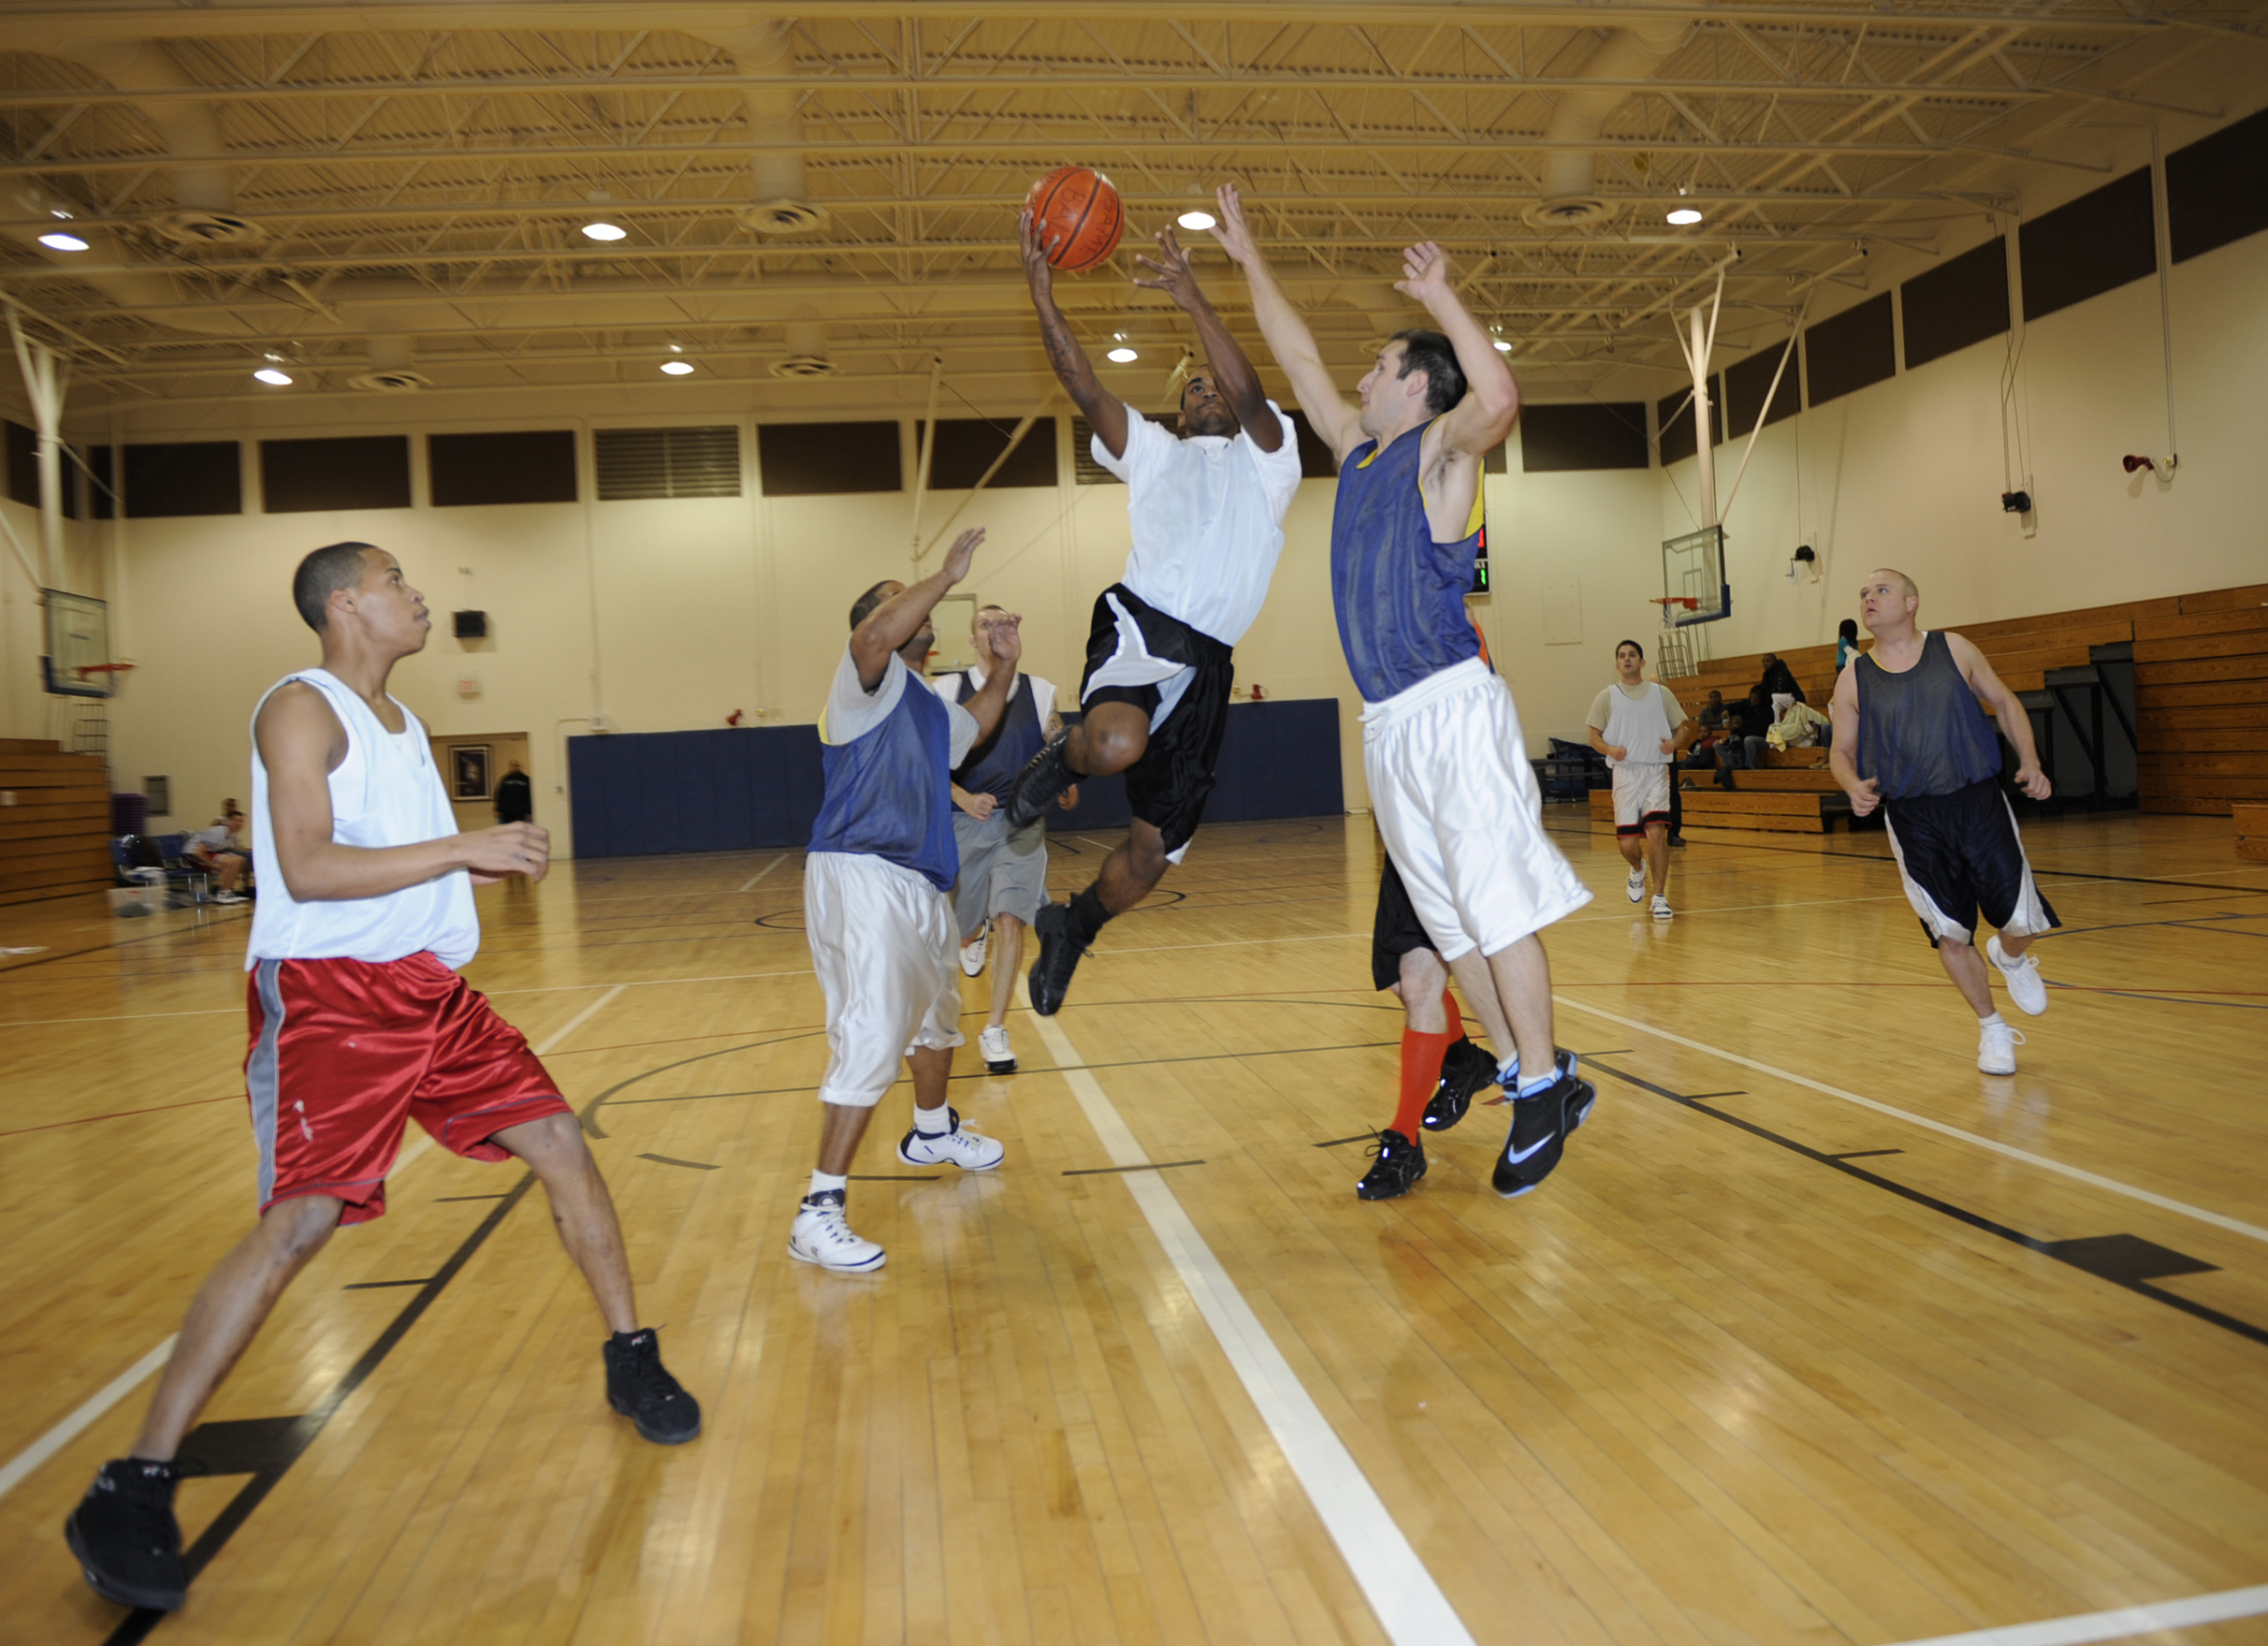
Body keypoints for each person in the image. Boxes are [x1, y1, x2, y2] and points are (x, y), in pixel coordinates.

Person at [65, 542, 700, 1616]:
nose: (419, 595)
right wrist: (467, 849)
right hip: (325, 997)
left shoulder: (406, 724)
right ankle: (135, 1478)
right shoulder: (299, 708)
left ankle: (630, 1353)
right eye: (398, 581)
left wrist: (464, 857)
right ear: (345, 604)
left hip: (428, 994)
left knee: (558, 1143)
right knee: (299, 1227)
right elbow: (306, 866)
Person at [1214, 182, 1596, 1201]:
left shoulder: (1438, 456)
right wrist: (1249, 256)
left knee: (1496, 902)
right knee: (1452, 920)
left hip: (1449, 704)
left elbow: (1501, 401)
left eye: (1379, 369)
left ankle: (1548, 1078)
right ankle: (1520, 1070)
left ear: (1418, 389)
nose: (1358, 378)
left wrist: (1443, 300)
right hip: (1386, 724)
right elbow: (1292, 354)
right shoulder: (1358, 452)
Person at [1002, 214, 1303, 1016]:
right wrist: (1041, 293)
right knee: (1113, 740)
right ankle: (1061, 760)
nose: (1207, 391)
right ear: (1176, 417)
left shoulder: (1271, 461)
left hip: (1209, 664)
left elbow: (1247, 389)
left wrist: (1191, 295)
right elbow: (1083, 383)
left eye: (1214, 387)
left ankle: (1074, 927)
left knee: (1151, 856)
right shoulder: (1155, 453)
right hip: (1143, 624)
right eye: (1192, 389)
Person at [792, 528, 1019, 1275]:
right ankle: (818, 1209)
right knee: (873, 1030)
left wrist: (1004, 669)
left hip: (919, 880)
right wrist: (946, 574)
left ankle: (929, 1131)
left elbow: (974, 728)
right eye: (899, 606)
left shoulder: (922, 697)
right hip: (861, 871)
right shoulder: (864, 679)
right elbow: (872, 632)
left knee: (937, 1019)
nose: (917, 612)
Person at [1829, 568, 2057, 1075]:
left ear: (1911, 602)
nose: (1869, 598)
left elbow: (2004, 700)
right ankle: (1992, 1029)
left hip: (1978, 801)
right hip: (1913, 817)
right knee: (1950, 931)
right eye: (1863, 593)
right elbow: (1840, 751)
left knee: (2022, 920)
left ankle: (2012, 956)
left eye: (1880, 590)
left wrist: (2031, 762)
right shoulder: (1854, 677)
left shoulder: (1954, 649)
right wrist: (1851, 785)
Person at [941, 603, 1076, 1076]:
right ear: (973, 640)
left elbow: (1054, 739)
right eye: (984, 624)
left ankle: (994, 1029)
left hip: (1022, 822)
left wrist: (1066, 777)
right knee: (961, 926)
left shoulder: (1039, 690)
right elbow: (925, 761)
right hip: (967, 824)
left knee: (1012, 918)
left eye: (1003, 622)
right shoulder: (946, 690)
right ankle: (972, 936)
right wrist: (960, 797)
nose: (994, 630)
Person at [1587, 639, 1694, 919]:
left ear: (1642, 662)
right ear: (1617, 664)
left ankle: (1659, 896)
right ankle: (1637, 869)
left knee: (1657, 833)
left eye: (1632, 655)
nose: (1627, 659)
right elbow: (1593, 737)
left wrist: (1674, 742)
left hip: (1656, 770)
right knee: (1628, 845)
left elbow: (1683, 728)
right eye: (1622, 655)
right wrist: (1610, 750)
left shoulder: (1661, 694)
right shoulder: (1606, 697)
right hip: (1625, 774)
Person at [184, 804, 250, 903]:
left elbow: (231, 849)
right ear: (228, 822)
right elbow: (198, 851)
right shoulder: (218, 833)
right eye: (235, 820)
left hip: (210, 852)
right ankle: (221, 893)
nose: (238, 823)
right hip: (192, 854)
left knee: (239, 860)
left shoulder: (232, 836)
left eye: (241, 821)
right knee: (229, 861)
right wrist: (213, 865)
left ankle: (227, 892)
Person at [494, 759, 533, 825]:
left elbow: (530, 796)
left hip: (521, 812)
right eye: (514, 766)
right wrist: (498, 810)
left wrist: (529, 812)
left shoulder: (526, 780)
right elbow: (500, 795)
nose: (515, 767)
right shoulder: (505, 779)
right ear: (510, 767)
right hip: (507, 813)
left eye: (517, 766)